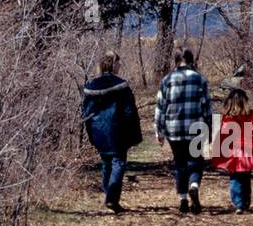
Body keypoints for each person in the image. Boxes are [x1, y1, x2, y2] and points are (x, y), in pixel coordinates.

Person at [81, 51, 141, 214]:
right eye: (118, 63)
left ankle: (109, 195)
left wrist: (90, 133)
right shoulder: (121, 85)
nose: (120, 66)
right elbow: (129, 111)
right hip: (117, 130)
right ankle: (112, 197)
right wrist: (135, 134)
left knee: (107, 162)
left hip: (97, 130)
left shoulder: (90, 86)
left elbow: (86, 113)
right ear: (112, 64)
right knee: (118, 162)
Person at [154, 48, 213, 214]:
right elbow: (207, 107)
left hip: (174, 129)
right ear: (191, 60)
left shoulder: (167, 80)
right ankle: (194, 185)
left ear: (176, 60)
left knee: (180, 164)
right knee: (195, 160)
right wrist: (210, 127)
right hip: (195, 127)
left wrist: (159, 131)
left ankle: (183, 199)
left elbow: (160, 107)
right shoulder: (199, 79)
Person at [211, 89, 253, 213]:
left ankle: (239, 203)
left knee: (235, 178)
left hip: (234, 154)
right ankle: (245, 202)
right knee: (246, 178)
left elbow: (223, 135)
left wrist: (219, 151)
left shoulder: (227, 118)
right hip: (248, 153)